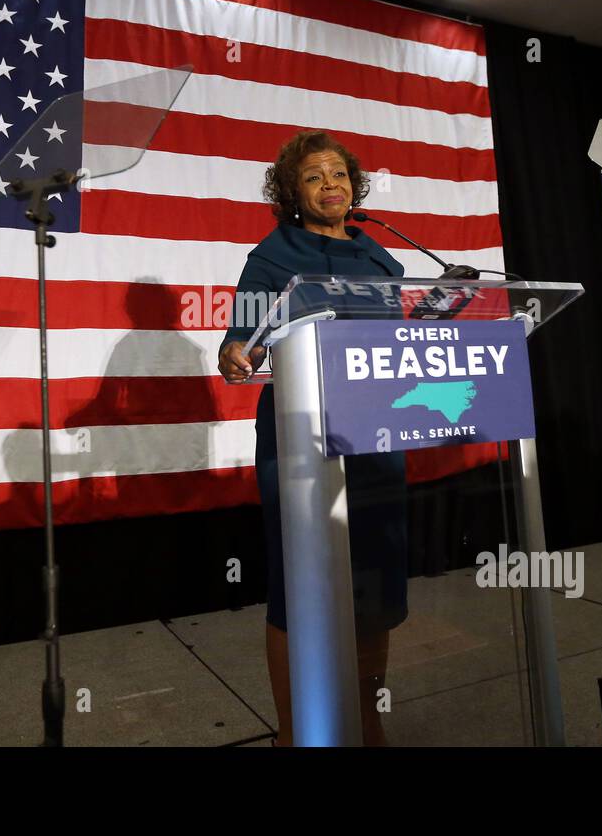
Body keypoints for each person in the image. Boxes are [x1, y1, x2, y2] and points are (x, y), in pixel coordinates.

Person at [217, 130, 408, 746]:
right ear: (291, 193)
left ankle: (366, 719)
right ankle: (294, 730)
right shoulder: (272, 257)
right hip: (299, 434)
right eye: (315, 178)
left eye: (340, 176)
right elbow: (237, 341)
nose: (331, 187)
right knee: (299, 583)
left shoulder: (382, 259)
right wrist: (234, 354)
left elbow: (398, 340)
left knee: (373, 579)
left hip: (375, 431)